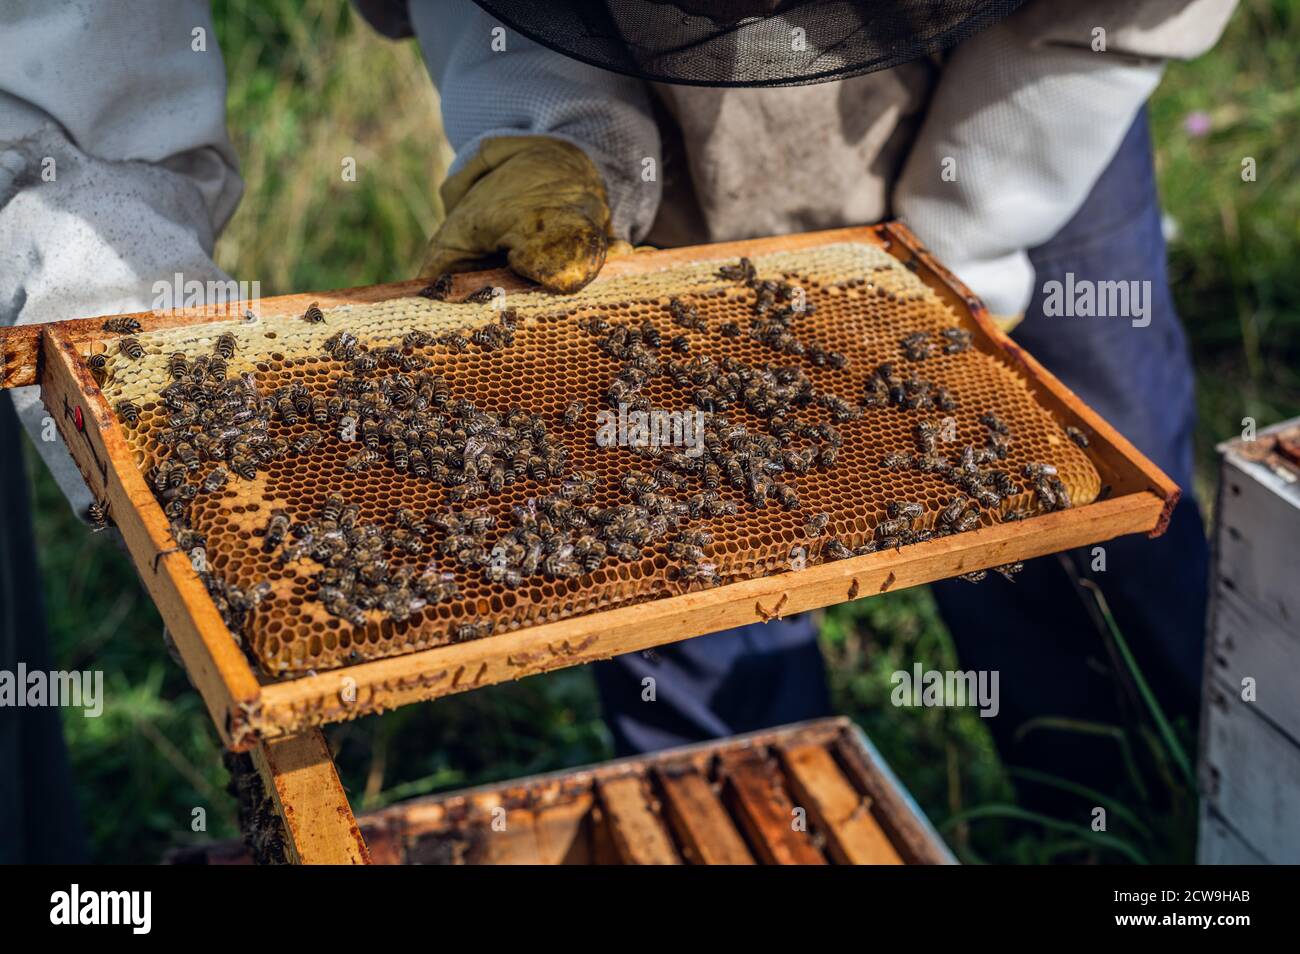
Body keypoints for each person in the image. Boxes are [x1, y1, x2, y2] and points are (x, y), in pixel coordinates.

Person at [0, 1, 1233, 849]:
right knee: (664, 583)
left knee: (1074, 520)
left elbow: (1109, 15)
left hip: (1025, 80)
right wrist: (554, 128)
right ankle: (752, 810)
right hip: (643, 163)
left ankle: (1116, 829)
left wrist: (954, 271)